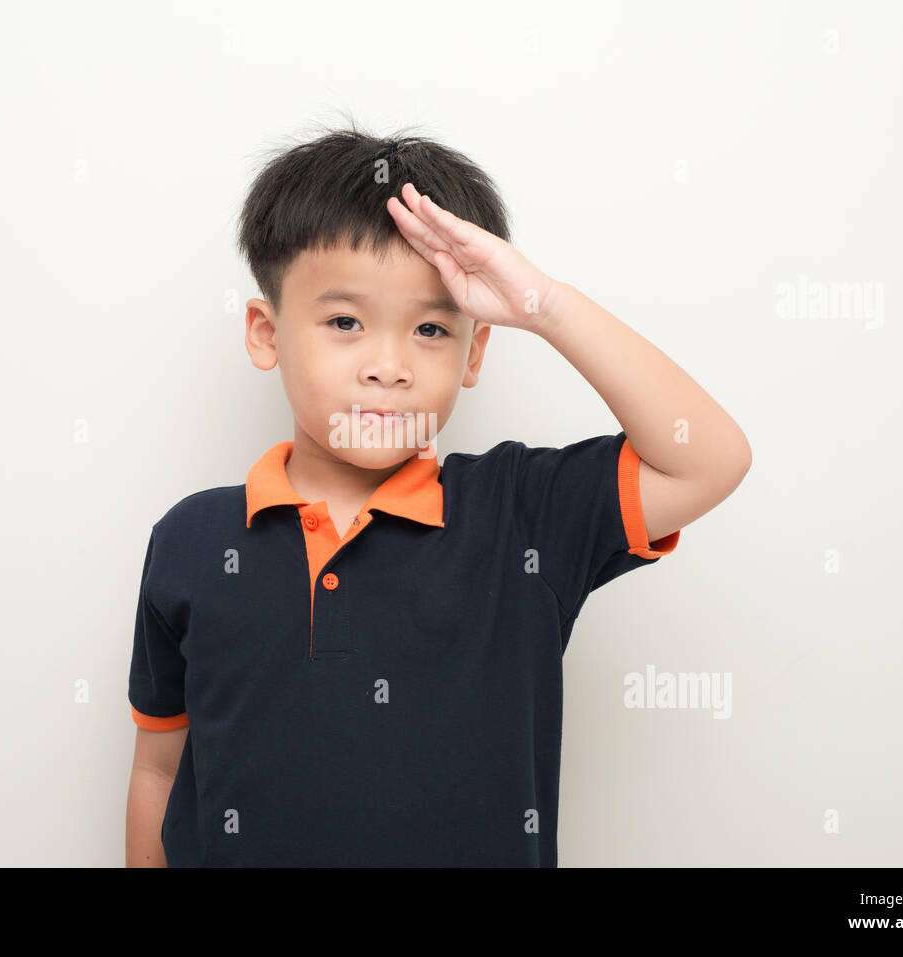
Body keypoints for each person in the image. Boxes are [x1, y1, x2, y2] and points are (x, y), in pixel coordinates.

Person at [124, 122, 751, 867]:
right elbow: (159, 767)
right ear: (266, 333)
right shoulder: (192, 541)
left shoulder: (523, 515)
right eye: (345, 321)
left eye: (429, 327)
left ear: (474, 351)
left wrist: (544, 304)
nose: (388, 365)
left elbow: (709, 460)